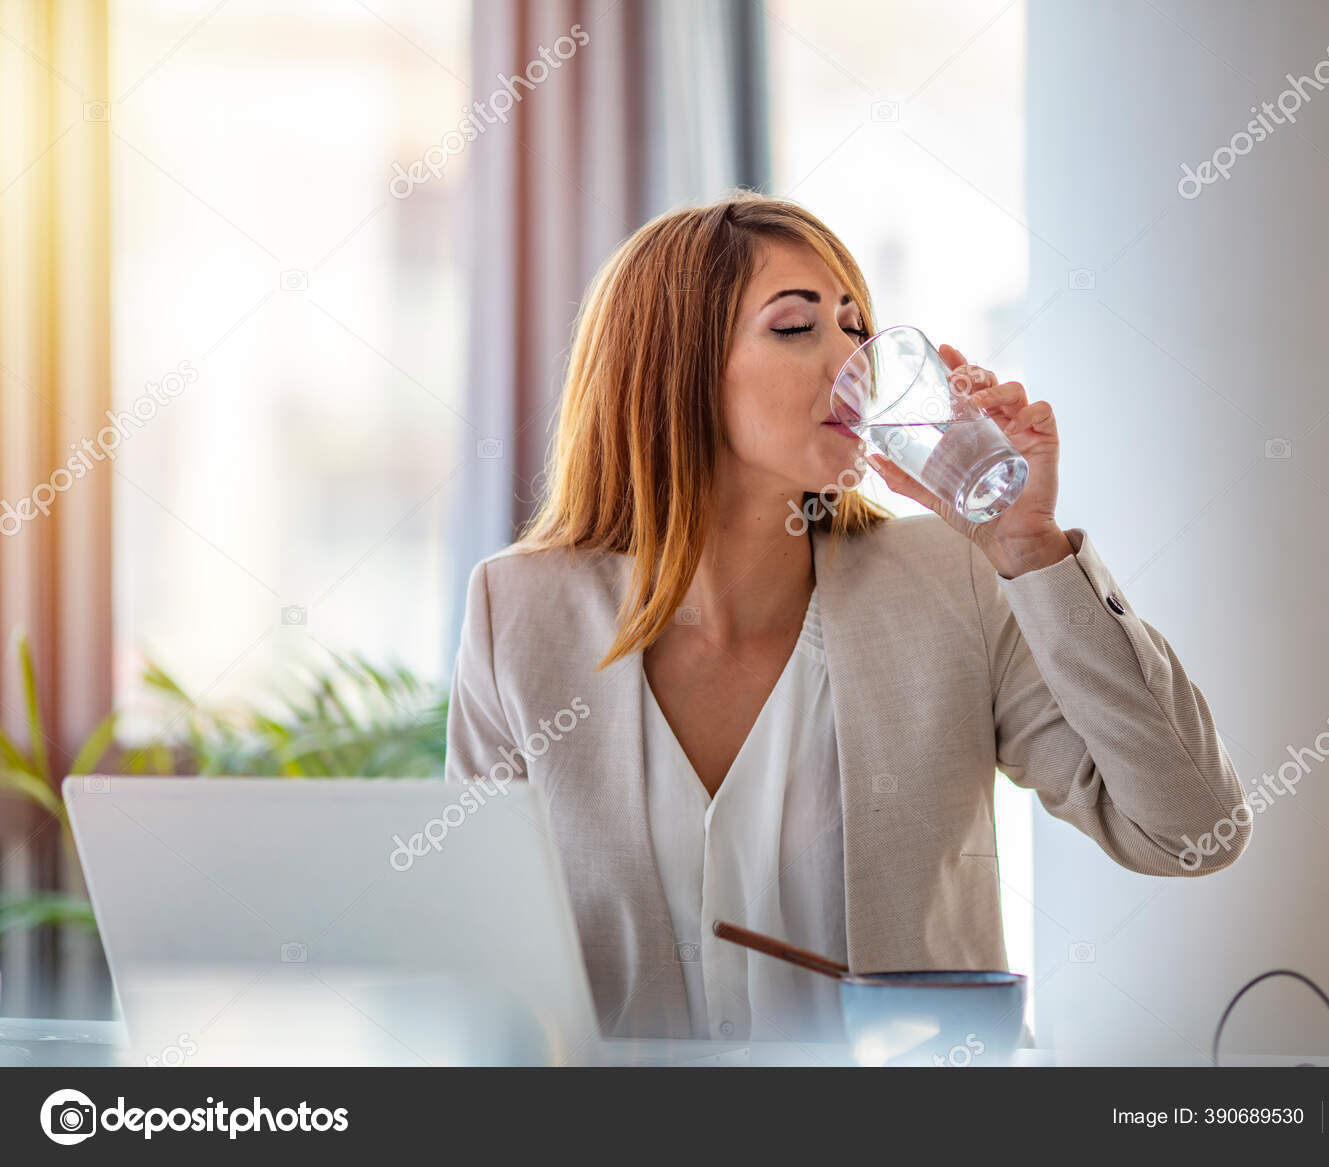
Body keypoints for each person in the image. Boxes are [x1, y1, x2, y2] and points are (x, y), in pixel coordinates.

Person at [446, 191, 1249, 1044]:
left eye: (857, 326)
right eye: (797, 328)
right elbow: (480, 957)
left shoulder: (956, 581)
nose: (854, 363)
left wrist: (1030, 545)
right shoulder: (520, 613)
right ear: (671, 366)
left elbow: (1193, 829)